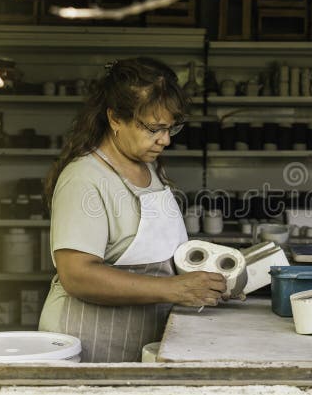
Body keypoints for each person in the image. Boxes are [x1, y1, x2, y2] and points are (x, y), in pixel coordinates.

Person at [38, 57, 227, 362]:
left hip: (138, 347)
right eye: (154, 128)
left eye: (170, 128)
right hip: (89, 347)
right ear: (114, 119)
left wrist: (206, 281)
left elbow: (163, 257)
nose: (164, 140)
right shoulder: (85, 178)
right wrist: (173, 289)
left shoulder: (150, 170)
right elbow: (77, 275)